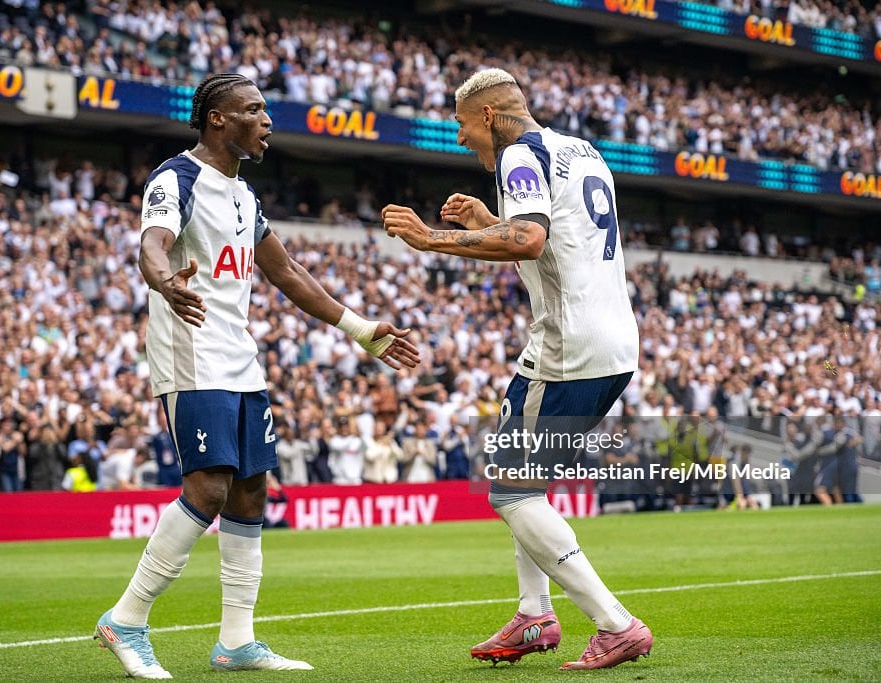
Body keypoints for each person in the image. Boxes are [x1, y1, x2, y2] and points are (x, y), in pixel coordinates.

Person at [95, 73, 420, 679]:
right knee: (209, 488)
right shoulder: (177, 177)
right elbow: (153, 242)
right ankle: (127, 619)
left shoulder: (245, 197)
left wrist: (360, 328)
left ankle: (236, 641)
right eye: (254, 110)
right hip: (191, 353)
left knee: (250, 491)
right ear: (218, 119)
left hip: (239, 358)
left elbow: (288, 272)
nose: (268, 120)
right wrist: (161, 280)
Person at [381, 68, 652, 671]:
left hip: (567, 347)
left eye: (459, 124)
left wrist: (432, 239)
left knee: (510, 489)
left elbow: (528, 240)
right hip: (606, 338)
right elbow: (555, 246)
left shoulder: (520, 155)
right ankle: (533, 614)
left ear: (485, 116)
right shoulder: (579, 150)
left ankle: (615, 625)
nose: (458, 138)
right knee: (515, 474)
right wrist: (484, 225)